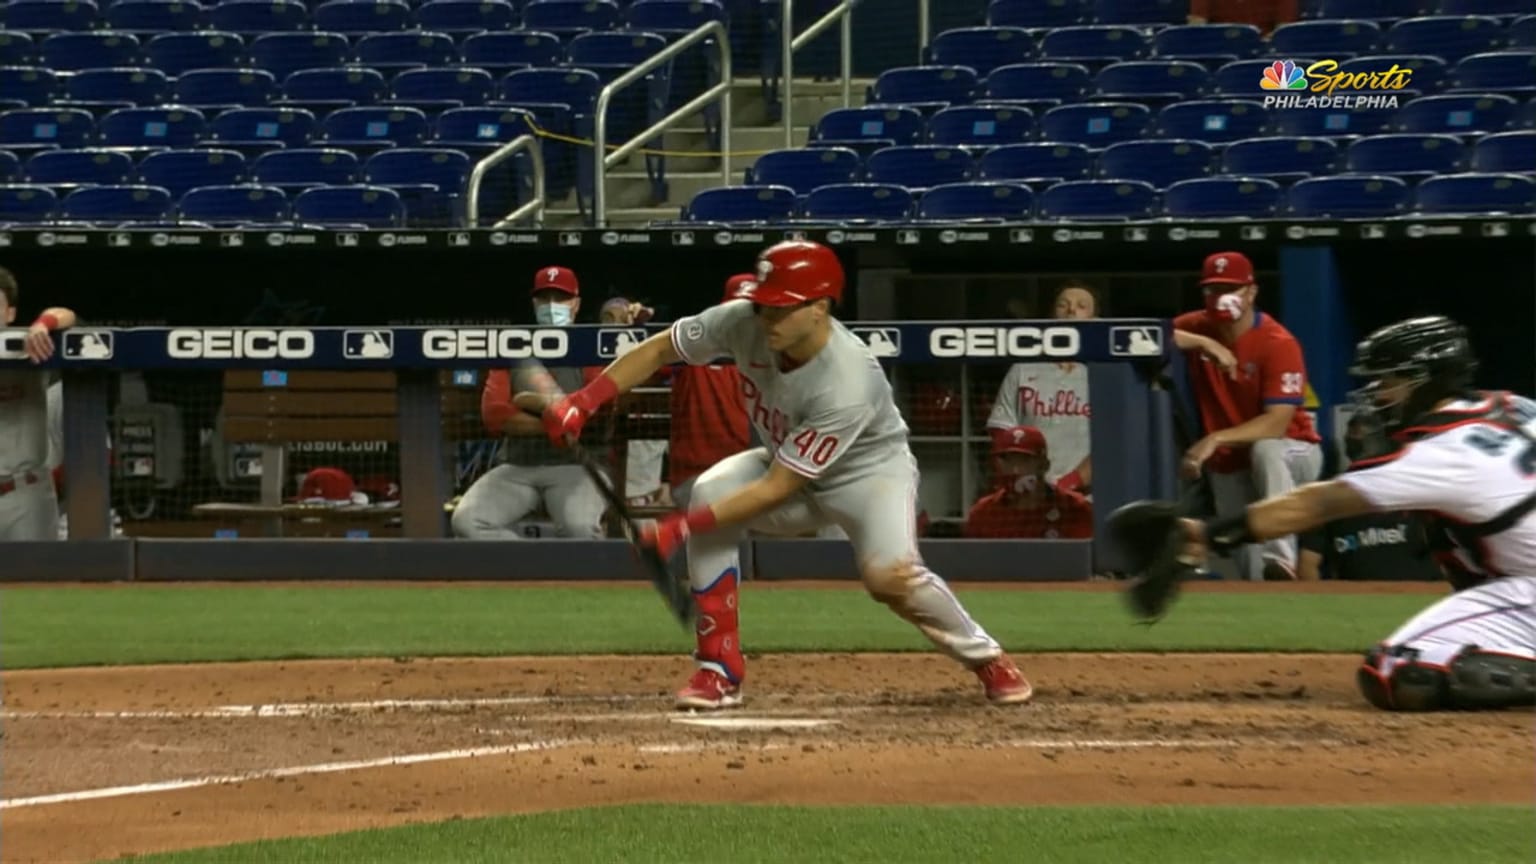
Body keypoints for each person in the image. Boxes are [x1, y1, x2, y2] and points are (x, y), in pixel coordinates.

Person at [541, 241, 1034, 709]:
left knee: (890, 578)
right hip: (783, 458)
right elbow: (657, 350)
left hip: (869, 476)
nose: (768, 315)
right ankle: (719, 667)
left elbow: (777, 489)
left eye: (782, 306)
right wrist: (583, 402)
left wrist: (678, 529)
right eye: (764, 303)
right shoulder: (742, 321)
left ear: (821, 307)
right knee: (711, 491)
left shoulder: (848, 378)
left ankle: (987, 657)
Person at [1178, 316, 1534, 711]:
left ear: (1426, 379)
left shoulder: (1440, 451)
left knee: (1397, 669)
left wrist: (1206, 535)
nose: (1378, 394)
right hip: (1519, 583)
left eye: (1388, 382)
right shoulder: (1512, 406)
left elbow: (1316, 503)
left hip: (1529, 590)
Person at [989, 281, 1237, 497]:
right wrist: (1014, 478)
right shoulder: (1024, 367)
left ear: (1097, 321)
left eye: (1081, 305)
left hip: (1090, 495)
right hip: (1029, 490)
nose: (1071, 310)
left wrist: (1208, 343)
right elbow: (1002, 429)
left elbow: (1157, 335)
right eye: (1063, 304)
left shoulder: (1108, 370)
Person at [1175, 251, 1322, 581]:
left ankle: (1281, 557)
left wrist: (1214, 438)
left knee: (1266, 449)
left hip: (1295, 451)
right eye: (1213, 290)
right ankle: (1270, 585)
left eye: (1230, 288)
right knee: (1250, 570)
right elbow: (1145, 336)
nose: (1220, 298)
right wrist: (1204, 344)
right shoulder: (1199, 326)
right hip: (1230, 461)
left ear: (1251, 292)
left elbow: (1277, 423)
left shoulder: (1278, 342)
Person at [450, 266, 607, 540]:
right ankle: (531, 571)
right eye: (544, 299)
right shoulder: (515, 348)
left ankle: (569, 582)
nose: (551, 306)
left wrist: (534, 405)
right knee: (468, 522)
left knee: (579, 528)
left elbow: (595, 411)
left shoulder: (591, 347)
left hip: (577, 466)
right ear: (534, 304)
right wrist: (554, 418)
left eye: (560, 299)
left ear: (576, 304)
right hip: (518, 465)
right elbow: (496, 415)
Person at [1297, 413, 1442, 582]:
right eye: (1352, 438)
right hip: (1358, 599)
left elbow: (1447, 548)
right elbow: (1307, 564)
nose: (1357, 443)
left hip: (1419, 594)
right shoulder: (1329, 495)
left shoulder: (1413, 485)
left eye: (1360, 437)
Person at [0, 265, 79, 541]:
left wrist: (43, 325)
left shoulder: (31, 344)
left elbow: (68, 315)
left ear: (10, 312)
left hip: (25, 494)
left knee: (39, 581)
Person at [667, 274, 755, 508]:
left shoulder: (770, 356)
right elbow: (648, 362)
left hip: (753, 474)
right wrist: (629, 328)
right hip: (695, 474)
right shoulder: (692, 347)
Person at [965, 425, 1093, 540]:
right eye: (1008, 461)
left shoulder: (1076, 509)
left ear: (1044, 465)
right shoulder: (984, 513)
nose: (1015, 470)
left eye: (1024, 461)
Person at [601, 296, 669, 507]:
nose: (616, 324)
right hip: (603, 488)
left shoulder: (657, 379)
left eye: (622, 319)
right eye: (609, 318)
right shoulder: (594, 370)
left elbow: (664, 355)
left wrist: (644, 327)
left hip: (645, 493)